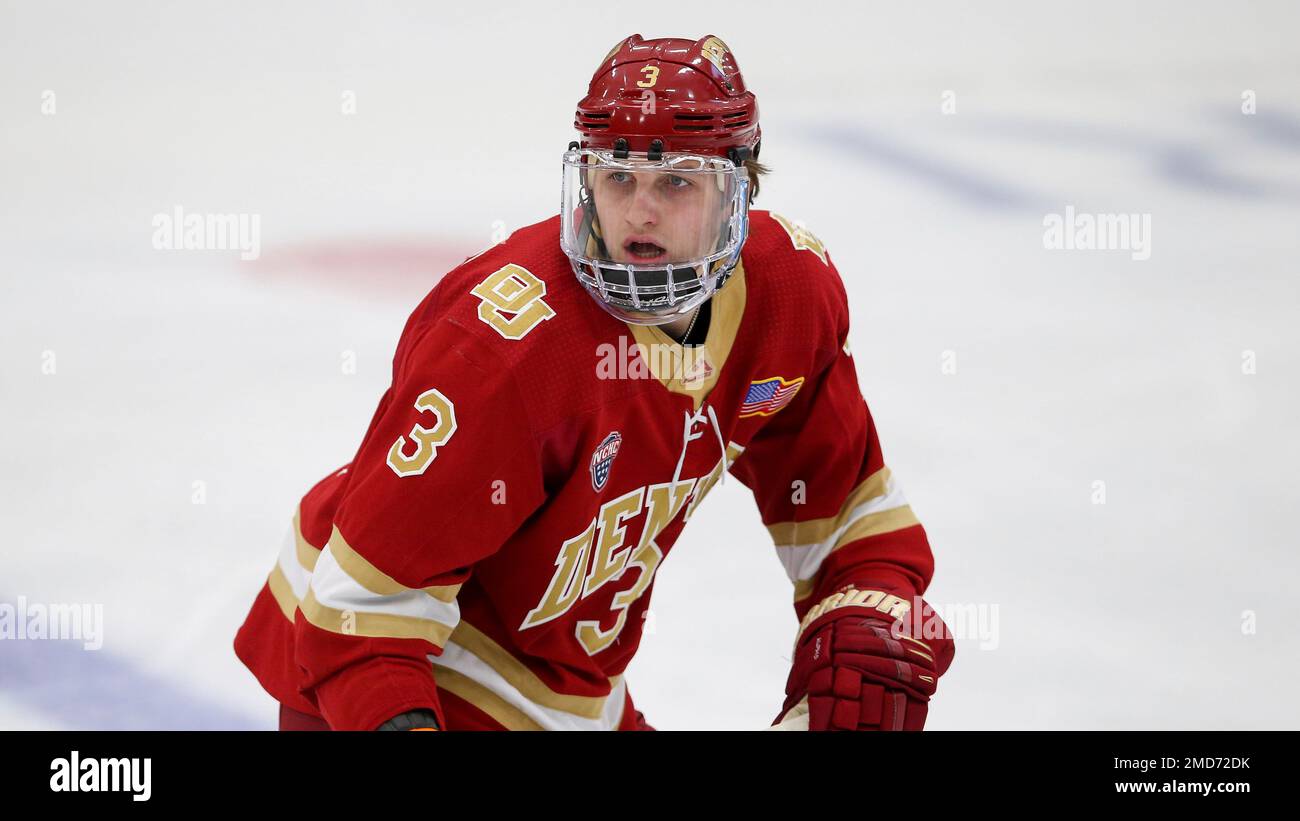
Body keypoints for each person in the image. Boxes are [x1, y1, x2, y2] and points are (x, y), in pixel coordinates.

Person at [234, 32, 955, 732]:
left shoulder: (789, 297)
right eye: (619, 177)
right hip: (395, 656)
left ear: (741, 188)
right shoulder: (508, 349)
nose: (640, 211)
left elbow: (851, 516)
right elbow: (361, 616)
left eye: (676, 181)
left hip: (569, 675)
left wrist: (873, 612)